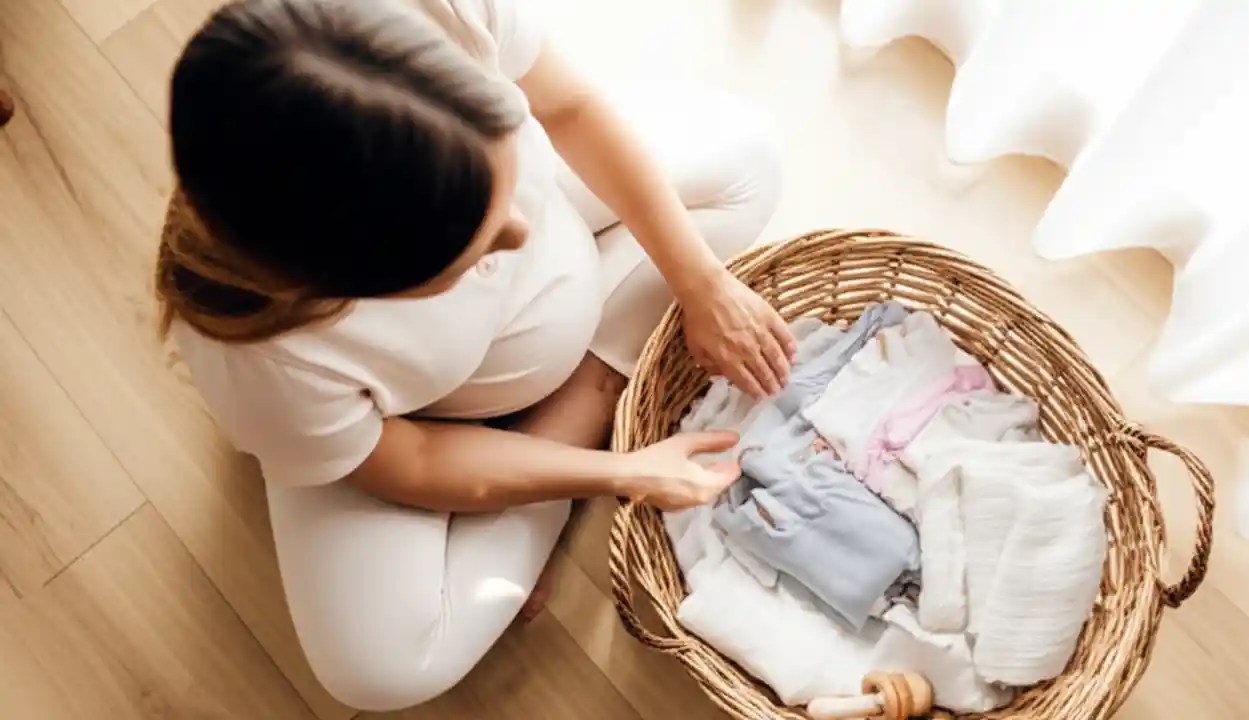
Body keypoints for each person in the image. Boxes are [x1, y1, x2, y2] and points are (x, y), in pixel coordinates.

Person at [156, 0, 790, 710]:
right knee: (382, 669)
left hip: (498, 301)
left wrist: (700, 283)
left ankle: (582, 398)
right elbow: (415, 461)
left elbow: (572, 106)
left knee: (749, 159)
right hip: (422, 417)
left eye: (502, 175)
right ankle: (591, 397)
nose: (521, 231)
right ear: (355, 284)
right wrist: (619, 470)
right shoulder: (263, 361)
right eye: (478, 245)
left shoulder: (430, 13)